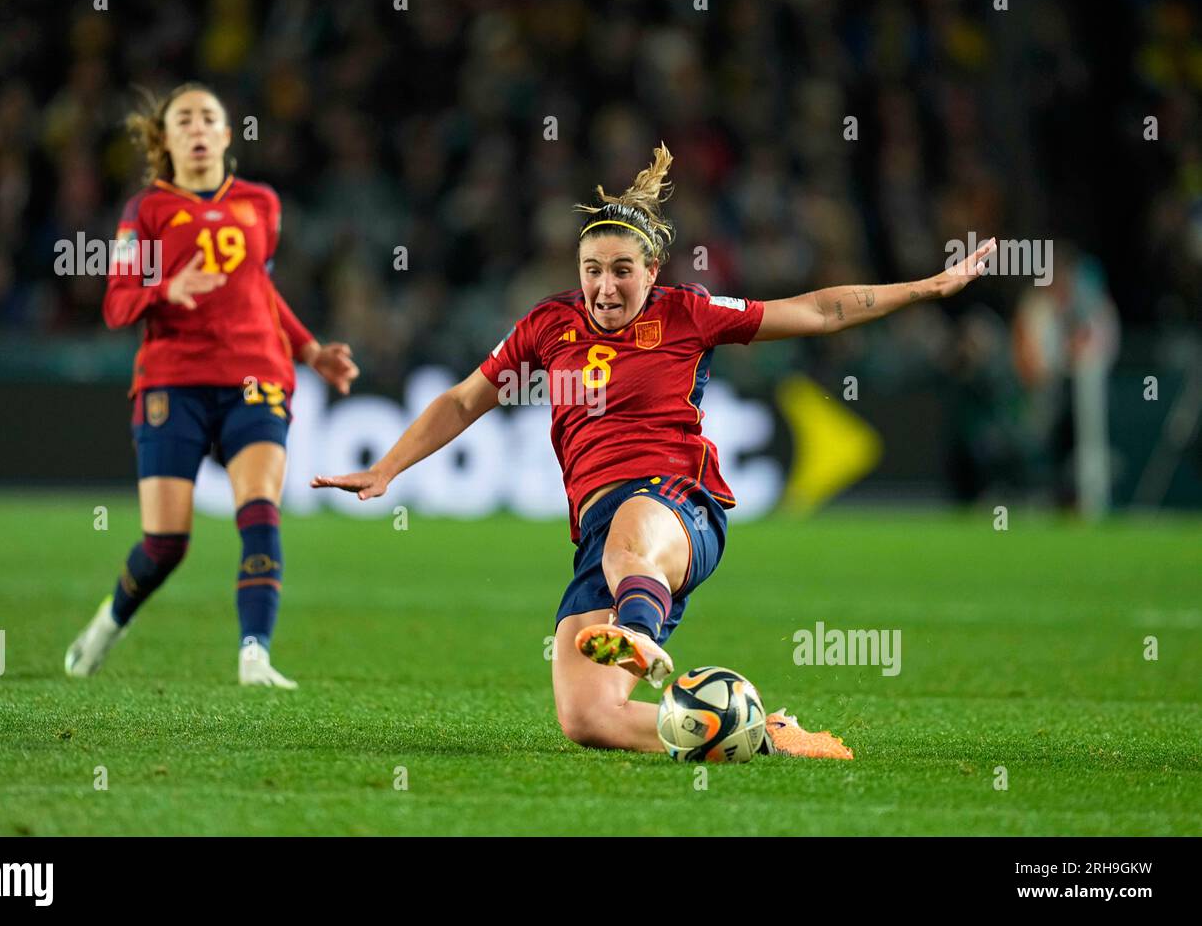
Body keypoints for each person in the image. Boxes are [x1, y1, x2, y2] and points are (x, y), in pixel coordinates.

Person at [313, 145, 994, 755]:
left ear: (652, 269)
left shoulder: (685, 314)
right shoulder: (547, 326)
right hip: (601, 537)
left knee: (628, 540)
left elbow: (819, 310)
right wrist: (386, 467)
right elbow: (464, 399)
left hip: (679, 507)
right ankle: (754, 732)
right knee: (590, 718)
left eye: (621, 271)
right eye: (592, 271)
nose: (605, 288)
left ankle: (639, 631)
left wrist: (927, 288)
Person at [66, 82, 359, 687]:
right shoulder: (145, 212)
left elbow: (259, 289)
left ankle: (254, 653)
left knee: (259, 508)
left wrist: (308, 348)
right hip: (172, 384)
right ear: (166, 140)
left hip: (257, 377)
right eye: (184, 121)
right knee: (166, 544)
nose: (197, 128)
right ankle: (108, 623)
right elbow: (116, 305)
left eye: (208, 118)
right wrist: (164, 290)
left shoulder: (260, 204)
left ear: (226, 136)